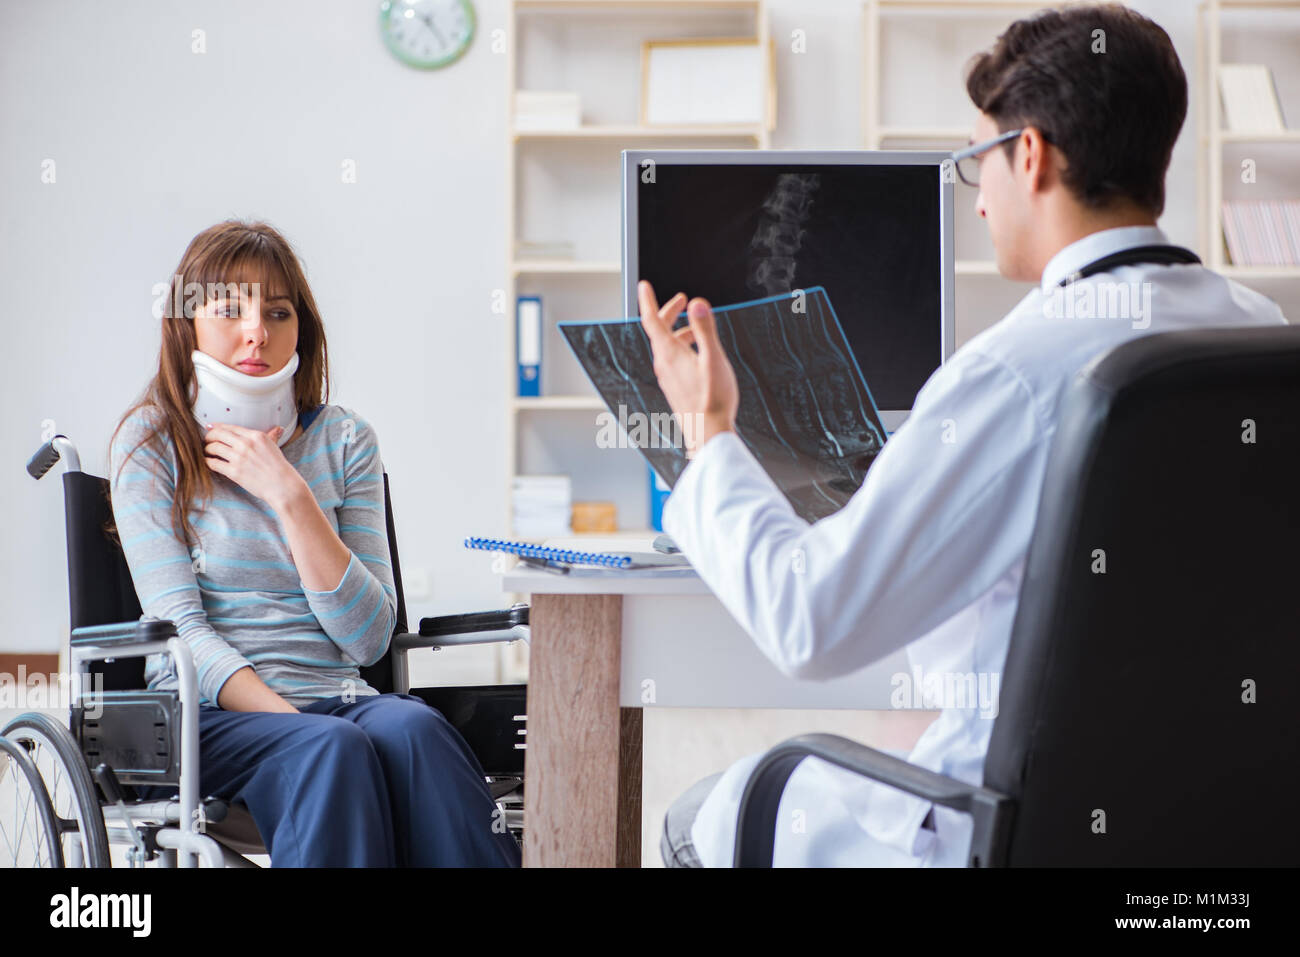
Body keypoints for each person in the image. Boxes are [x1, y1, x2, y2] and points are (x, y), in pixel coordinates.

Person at [644, 3, 1289, 868]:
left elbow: (810, 619)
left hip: (1005, 831)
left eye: (975, 162)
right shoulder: (1263, 339)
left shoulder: (1013, 374)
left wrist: (710, 434)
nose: (977, 201)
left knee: (698, 815)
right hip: (1220, 827)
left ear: (1030, 155)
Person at [109, 220, 521, 867]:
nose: (257, 332)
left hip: (335, 697)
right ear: (186, 325)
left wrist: (292, 499)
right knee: (329, 747)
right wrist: (291, 719)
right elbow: (182, 631)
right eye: (230, 309)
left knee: (416, 729)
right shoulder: (151, 446)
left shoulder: (346, 440)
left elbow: (367, 639)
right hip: (204, 717)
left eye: (278, 311)